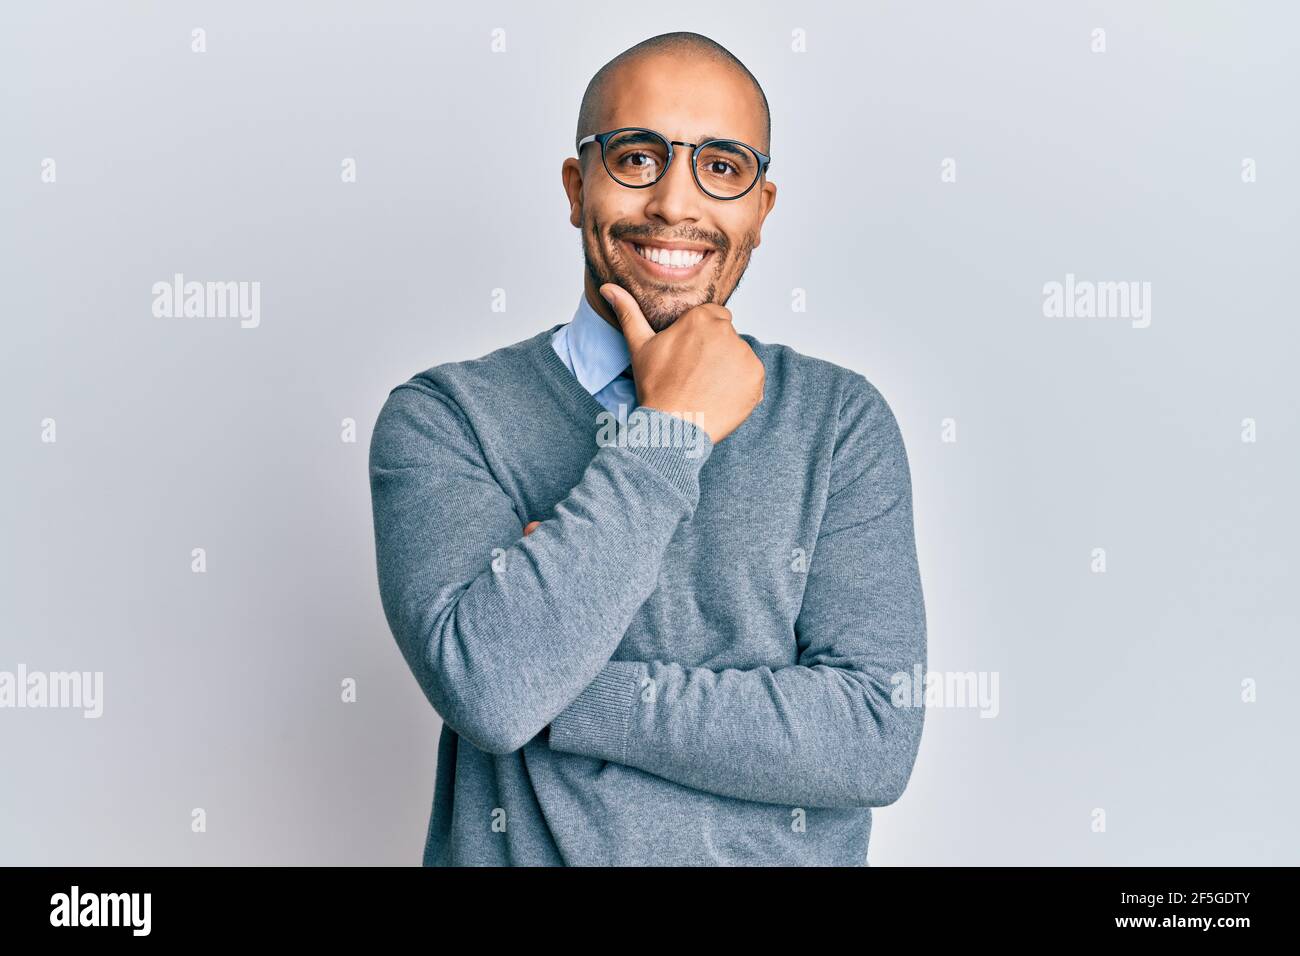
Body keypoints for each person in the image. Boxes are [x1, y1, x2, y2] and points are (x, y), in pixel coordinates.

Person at [368, 31, 927, 865]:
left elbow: (874, 736)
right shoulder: (446, 420)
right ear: (575, 185)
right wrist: (673, 432)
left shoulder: (841, 422)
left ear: (762, 210)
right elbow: (488, 693)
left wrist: (552, 679)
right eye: (636, 158)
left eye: (724, 167)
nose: (675, 204)